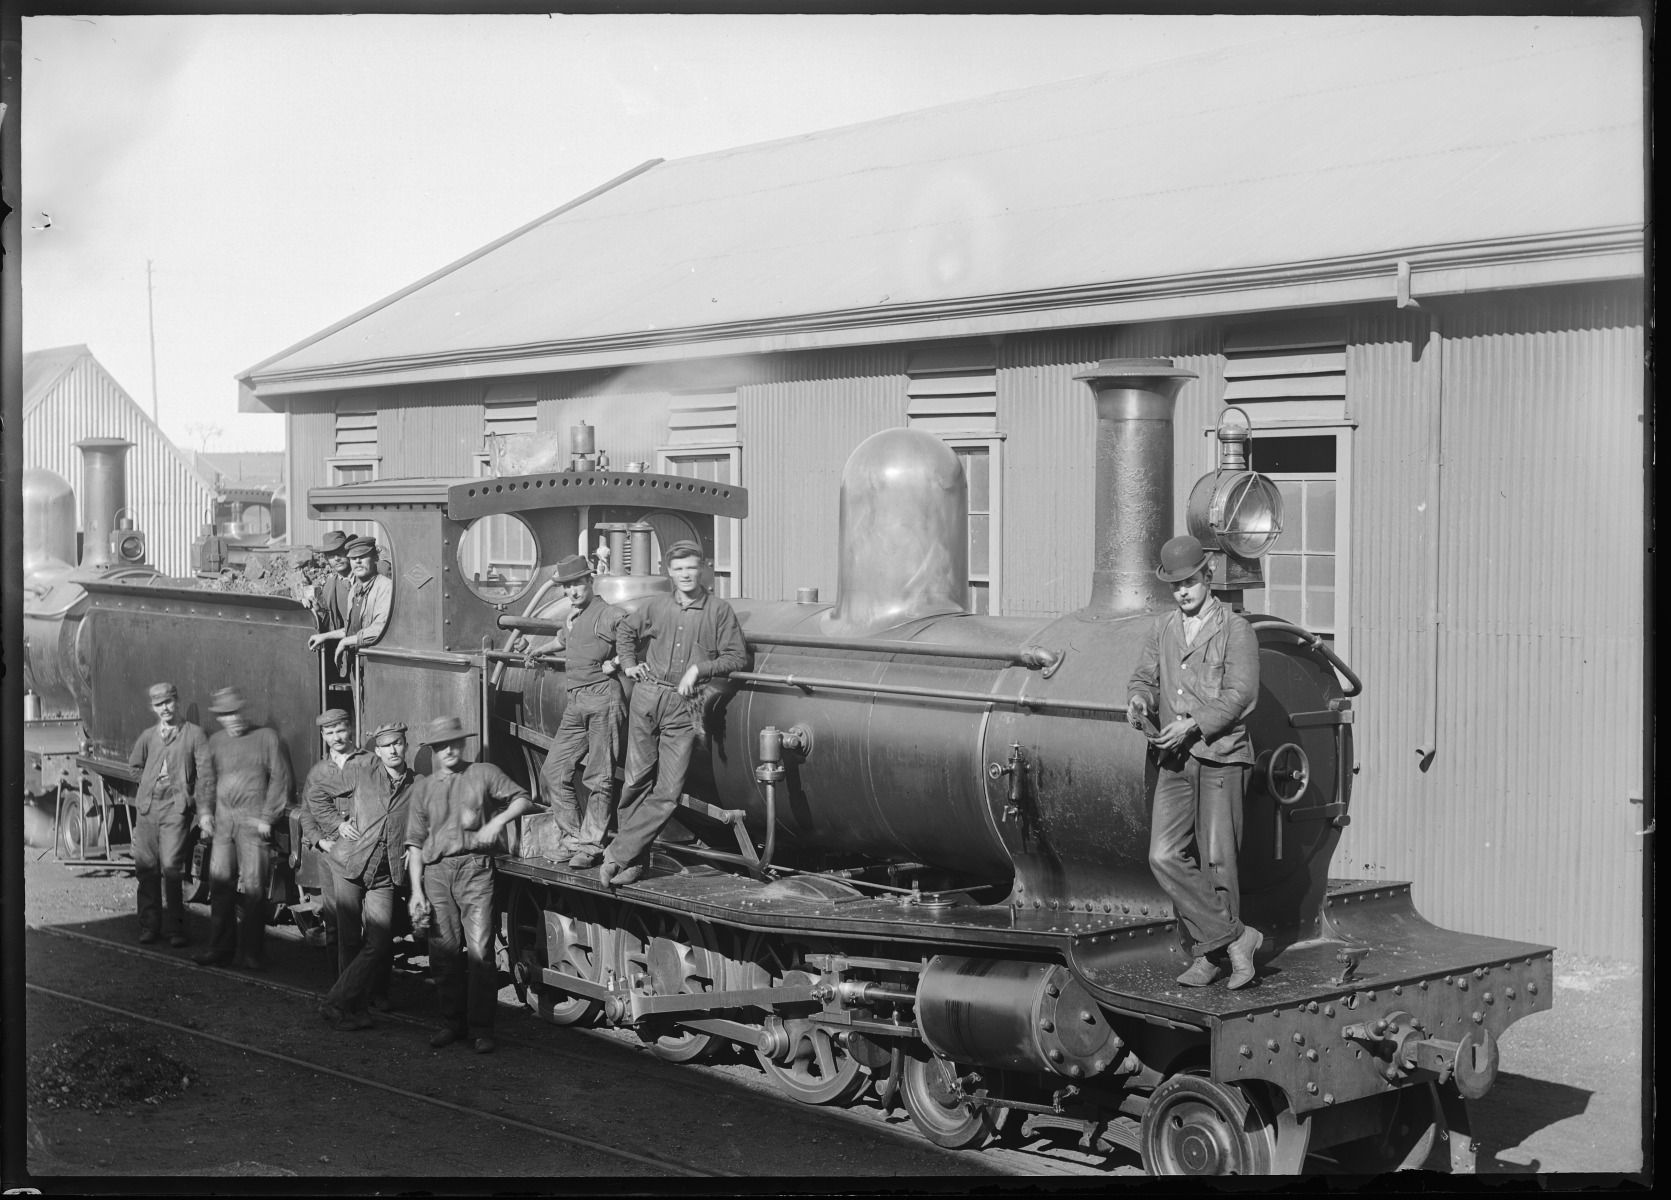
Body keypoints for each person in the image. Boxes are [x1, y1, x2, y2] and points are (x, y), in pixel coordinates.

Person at [1127, 535, 1263, 990]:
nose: (1182, 591)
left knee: (1218, 862)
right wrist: (1138, 701)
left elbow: (1240, 696)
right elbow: (1144, 677)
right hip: (1174, 759)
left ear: (1206, 576)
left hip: (1221, 756)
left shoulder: (1235, 629)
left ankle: (1211, 958)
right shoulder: (1163, 628)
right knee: (1164, 855)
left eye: (1189, 582)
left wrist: (1191, 724)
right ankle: (1236, 939)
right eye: (1175, 585)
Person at [603, 540, 749, 888]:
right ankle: (635, 863)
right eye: (678, 568)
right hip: (647, 697)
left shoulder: (719, 611)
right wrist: (628, 663)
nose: (686, 574)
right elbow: (624, 631)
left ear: (703, 569)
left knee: (667, 792)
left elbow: (738, 657)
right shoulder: (655, 605)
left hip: (685, 708)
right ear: (669, 571)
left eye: (692, 567)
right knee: (636, 781)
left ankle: (617, 855)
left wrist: (700, 669)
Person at [405, 716, 535, 1054]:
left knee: (480, 952)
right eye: (442, 744)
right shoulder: (422, 788)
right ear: (433, 749)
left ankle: (481, 1029)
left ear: (464, 744)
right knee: (443, 953)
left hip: (476, 870)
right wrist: (416, 891)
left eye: (455, 743)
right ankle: (452, 1023)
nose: (449, 749)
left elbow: (523, 799)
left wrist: (497, 823)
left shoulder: (483, 774)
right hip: (436, 874)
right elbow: (415, 844)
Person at [319, 722, 418, 1031]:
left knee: (379, 941)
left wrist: (415, 846)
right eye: (386, 745)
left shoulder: (418, 784)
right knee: (348, 940)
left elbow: (426, 820)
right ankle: (354, 1011)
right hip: (349, 866)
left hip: (385, 874)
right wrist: (337, 825)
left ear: (405, 746)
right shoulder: (362, 771)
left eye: (398, 743)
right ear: (377, 751)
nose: (392, 750)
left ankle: (336, 1002)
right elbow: (318, 795)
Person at [536, 554, 630, 870]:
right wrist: (537, 650)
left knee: (599, 777)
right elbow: (566, 640)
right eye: (567, 586)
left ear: (591, 581)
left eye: (578, 583)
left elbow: (641, 634)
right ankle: (574, 839)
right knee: (553, 771)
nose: (573, 591)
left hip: (603, 700)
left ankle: (591, 846)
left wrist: (616, 663)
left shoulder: (608, 613)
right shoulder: (575, 616)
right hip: (576, 702)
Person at [194, 687, 292, 971]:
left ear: (243, 711)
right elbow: (206, 781)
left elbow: (280, 779)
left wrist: (267, 817)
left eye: (236, 712)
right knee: (220, 884)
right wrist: (204, 813)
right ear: (220, 718)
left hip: (252, 823)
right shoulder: (216, 742)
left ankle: (252, 953)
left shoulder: (266, 738)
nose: (232, 719)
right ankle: (219, 949)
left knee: (254, 890)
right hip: (224, 822)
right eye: (226, 715)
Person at [127, 682, 212, 947]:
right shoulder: (149, 735)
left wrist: (191, 798)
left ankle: (176, 929)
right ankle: (150, 926)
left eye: (168, 702)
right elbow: (134, 767)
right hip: (148, 807)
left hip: (176, 809)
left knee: (173, 869)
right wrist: (150, 783)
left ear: (177, 701)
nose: (164, 708)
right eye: (158, 704)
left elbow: (206, 775)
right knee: (146, 868)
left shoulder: (195, 734)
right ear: (153, 708)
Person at [298, 709, 369, 959]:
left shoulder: (368, 761)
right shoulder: (318, 771)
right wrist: (319, 840)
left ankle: (368, 989)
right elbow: (306, 812)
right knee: (335, 921)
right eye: (330, 732)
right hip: (330, 855)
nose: (336, 737)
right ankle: (338, 984)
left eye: (340, 730)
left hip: (364, 852)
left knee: (369, 924)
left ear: (350, 730)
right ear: (323, 735)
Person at [308, 537, 393, 678]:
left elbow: (380, 629)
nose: (357, 561)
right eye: (353, 558)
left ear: (376, 558)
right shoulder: (355, 590)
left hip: (378, 668)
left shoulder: (385, 587)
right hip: (357, 668)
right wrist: (324, 636)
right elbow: (351, 629)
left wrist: (345, 642)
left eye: (363, 556)